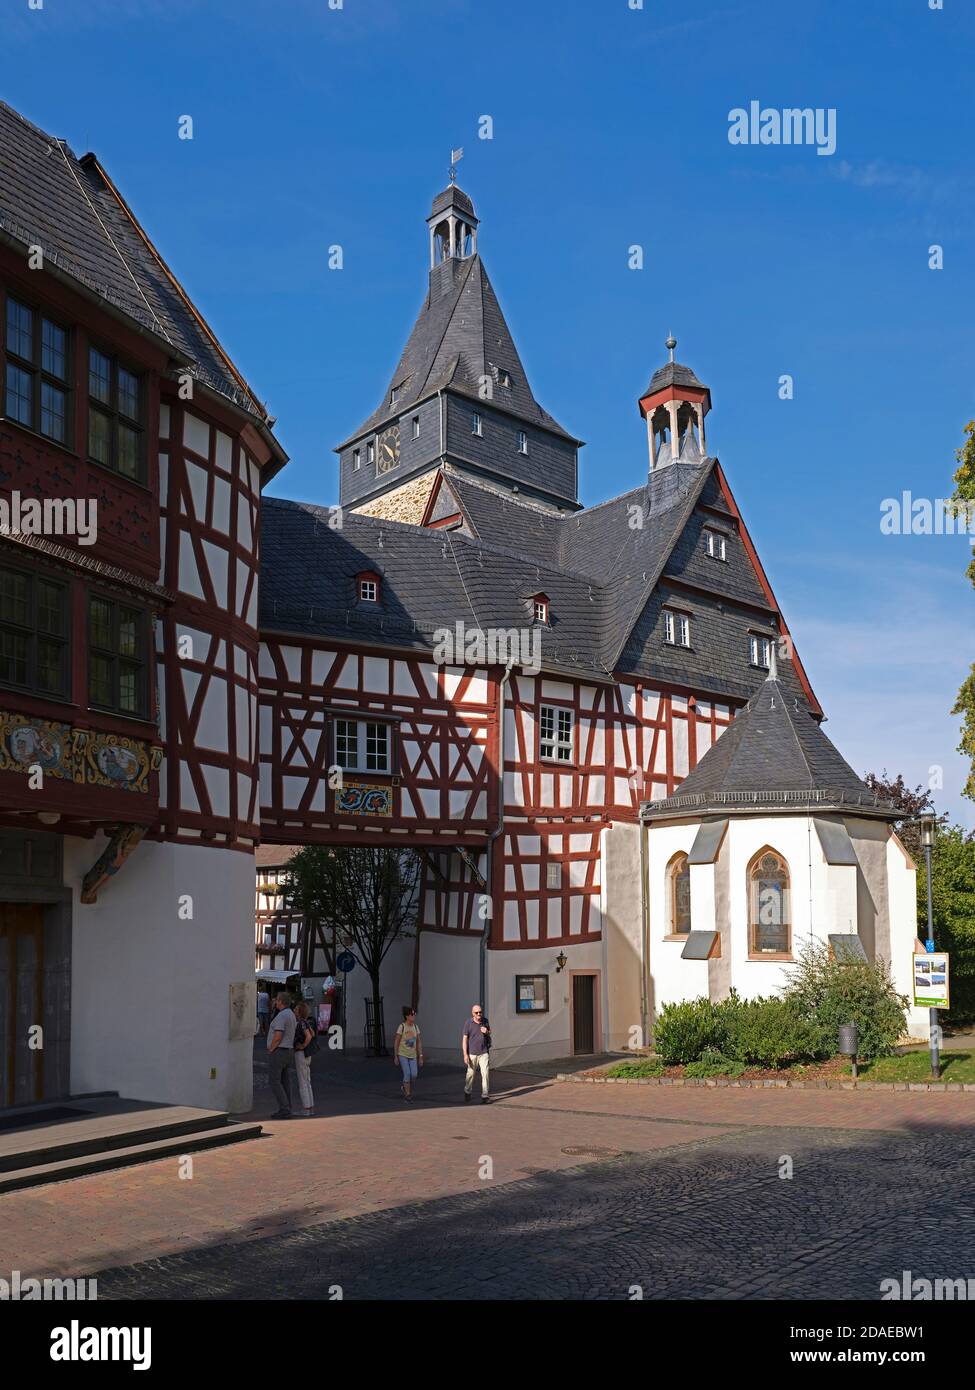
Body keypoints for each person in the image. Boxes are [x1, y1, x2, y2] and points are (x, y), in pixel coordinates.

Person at [266, 992, 297, 1119]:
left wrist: (271, 1048)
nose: (275, 1002)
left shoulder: (282, 1016)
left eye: (277, 1000)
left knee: (274, 1081)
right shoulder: (291, 1014)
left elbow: (278, 1035)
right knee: (285, 1081)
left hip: (279, 1050)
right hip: (289, 1050)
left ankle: (284, 1108)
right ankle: (288, 1107)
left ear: (280, 1001)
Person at [462, 1003, 491, 1104]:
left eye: (480, 1012)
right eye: (477, 1013)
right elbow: (465, 1039)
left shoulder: (485, 1021)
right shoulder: (468, 1023)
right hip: (472, 1053)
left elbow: (489, 1032)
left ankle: (485, 1095)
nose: (479, 1014)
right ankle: (467, 1091)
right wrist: (465, 1054)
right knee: (470, 1074)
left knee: (485, 1073)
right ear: (472, 1013)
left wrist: (486, 1032)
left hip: (484, 1052)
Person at [394, 1005, 423, 1102]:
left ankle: (404, 1085)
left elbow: (419, 1042)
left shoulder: (415, 1027)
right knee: (407, 1073)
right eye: (412, 1014)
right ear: (407, 1016)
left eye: (414, 1014)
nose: (414, 1016)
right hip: (403, 1054)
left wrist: (421, 1056)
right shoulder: (402, 1027)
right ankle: (408, 1094)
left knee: (414, 1074)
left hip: (413, 1055)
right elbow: (397, 1042)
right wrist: (396, 1056)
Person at [293, 1001, 316, 1116]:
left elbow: (308, 1036)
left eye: (296, 1009)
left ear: (300, 1011)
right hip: (307, 1054)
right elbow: (311, 1034)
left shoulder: (301, 1023)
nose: (294, 1010)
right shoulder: (306, 1022)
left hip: (301, 1053)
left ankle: (306, 1108)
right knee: (307, 1080)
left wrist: (302, 1045)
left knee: (302, 1081)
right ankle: (310, 1107)